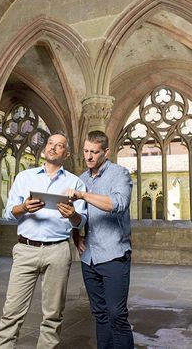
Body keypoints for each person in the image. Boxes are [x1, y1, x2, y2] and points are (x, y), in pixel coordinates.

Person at [0, 131, 87, 349]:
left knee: (53, 314)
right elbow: (9, 213)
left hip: (58, 251)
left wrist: (71, 214)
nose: (53, 147)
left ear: (66, 153)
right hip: (25, 249)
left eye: (59, 145)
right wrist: (24, 207)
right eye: (50, 143)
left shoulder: (75, 183)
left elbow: (80, 222)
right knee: (12, 311)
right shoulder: (24, 178)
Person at [68, 130, 134, 349]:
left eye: (94, 152)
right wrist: (76, 236)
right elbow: (76, 214)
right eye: (86, 151)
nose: (89, 157)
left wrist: (84, 195)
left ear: (106, 152)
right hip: (90, 258)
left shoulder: (120, 174)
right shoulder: (82, 179)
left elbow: (118, 204)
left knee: (117, 315)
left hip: (114, 254)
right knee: (100, 314)